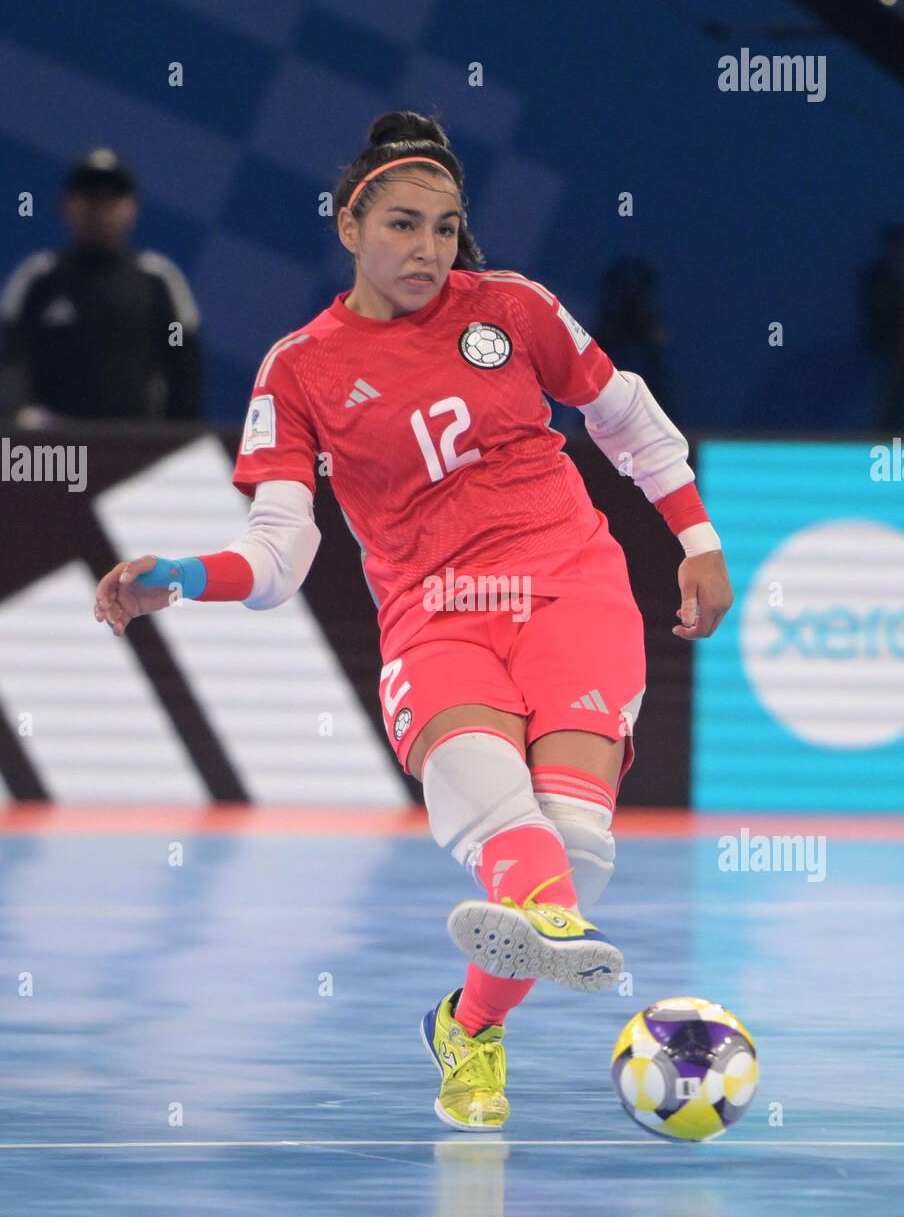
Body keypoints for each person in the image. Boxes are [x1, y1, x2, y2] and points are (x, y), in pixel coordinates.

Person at [93, 111, 733, 1132]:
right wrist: (181, 574)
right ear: (348, 225)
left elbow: (622, 414)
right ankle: (526, 933)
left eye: (443, 228)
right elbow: (278, 555)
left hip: (573, 588)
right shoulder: (298, 367)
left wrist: (695, 538)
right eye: (400, 224)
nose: (426, 250)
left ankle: (467, 1027)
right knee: (519, 846)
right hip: (436, 618)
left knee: (577, 850)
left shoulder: (514, 309)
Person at [0, 147, 203, 426]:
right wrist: (21, 422)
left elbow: (184, 372)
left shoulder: (158, 281)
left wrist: (170, 448)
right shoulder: (38, 279)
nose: (100, 206)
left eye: (112, 197)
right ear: (66, 204)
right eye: (89, 196)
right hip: (54, 459)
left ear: (132, 206)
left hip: (138, 454)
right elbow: (11, 362)